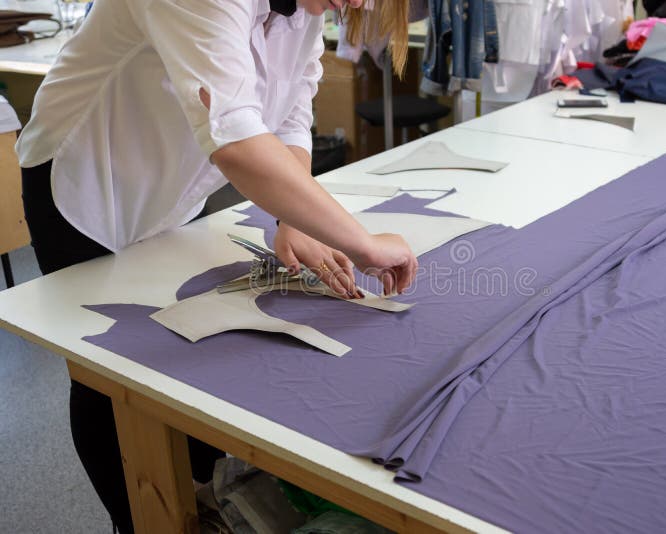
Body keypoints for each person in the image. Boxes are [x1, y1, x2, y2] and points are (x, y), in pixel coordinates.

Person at [15, 0, 417, 531]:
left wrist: (293, 218)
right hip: (83, 180)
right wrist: (363, 243)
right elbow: (237, 141)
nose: (359, 5)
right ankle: (137, 515)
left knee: (186, 340)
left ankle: (201, 493)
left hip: (172, 179)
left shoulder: (308, 9)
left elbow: (292, 112)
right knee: (106, 365)